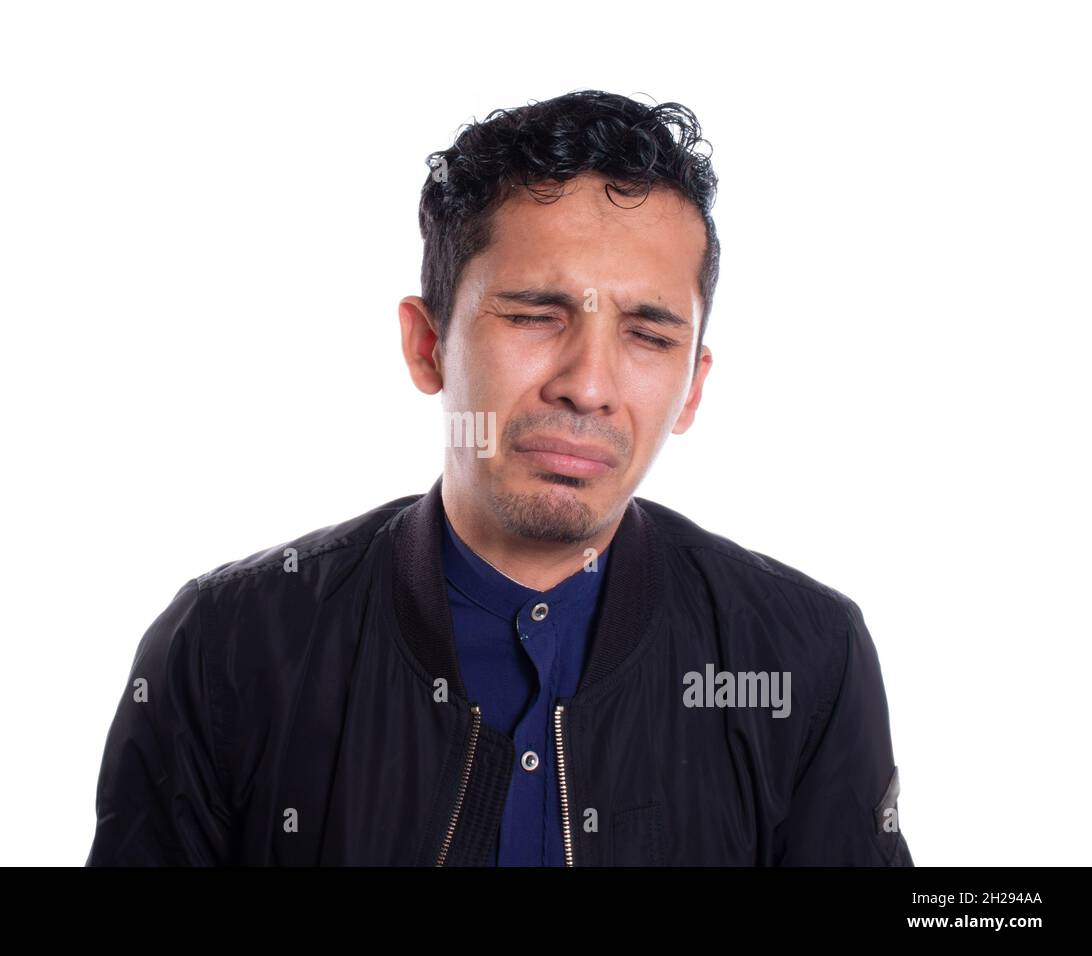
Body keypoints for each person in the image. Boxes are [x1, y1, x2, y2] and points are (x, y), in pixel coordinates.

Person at [85, 89, 912, 866]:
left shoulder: (807, 658)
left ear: (692, 386)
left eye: (648, 336)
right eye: (534, 317)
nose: (588, 384)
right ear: (425, 344)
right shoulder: (228, 647)